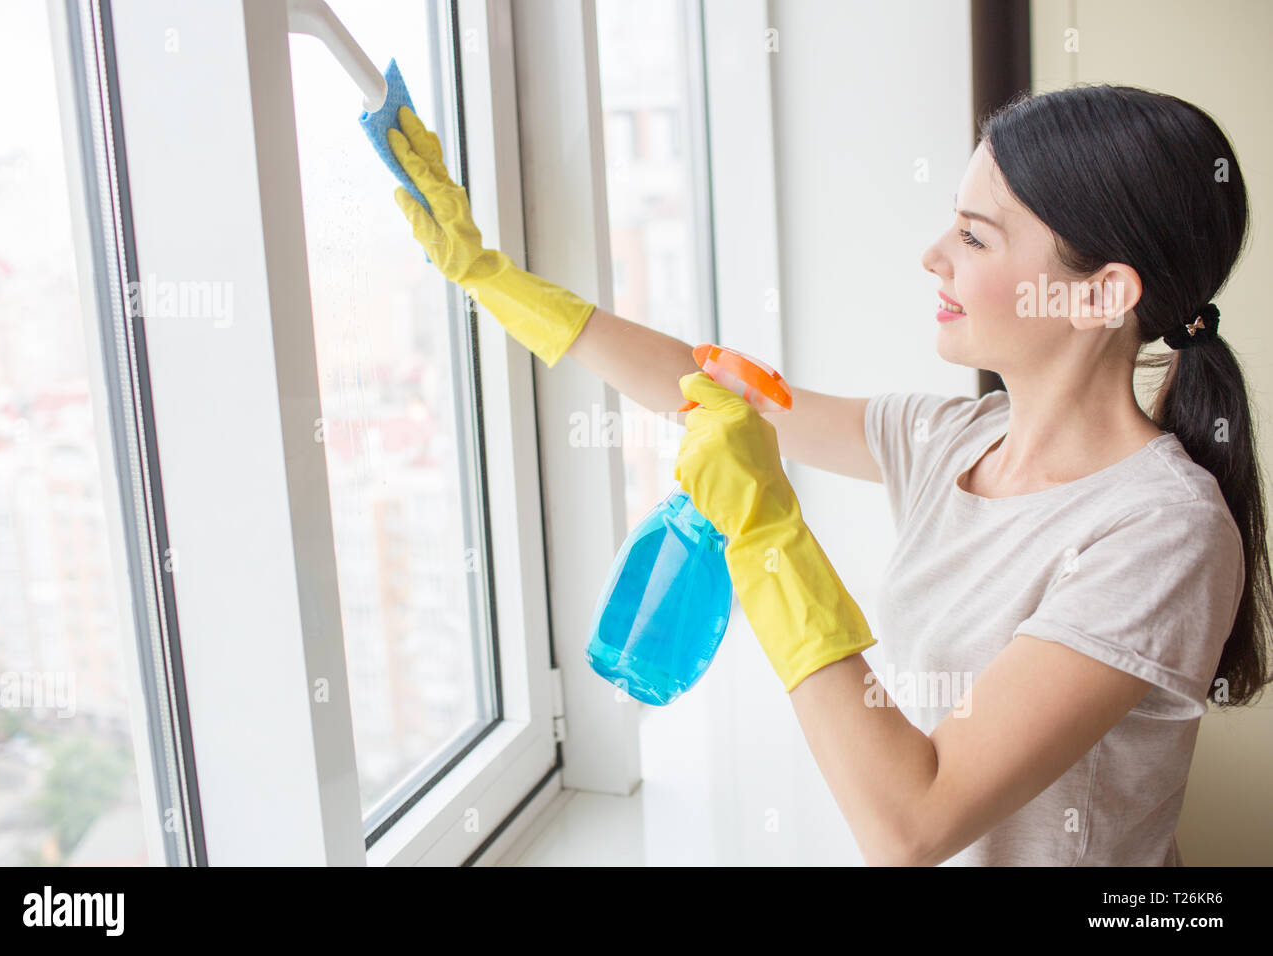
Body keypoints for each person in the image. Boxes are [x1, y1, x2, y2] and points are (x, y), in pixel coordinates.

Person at [383, 83, 1271, 866]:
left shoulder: (1163, 530)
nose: (933, 256)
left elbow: (910, 827)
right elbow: (712, 386)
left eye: (973, 235)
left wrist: (768, 532)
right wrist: (490, 277)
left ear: (1100, 294)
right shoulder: (952, 439)